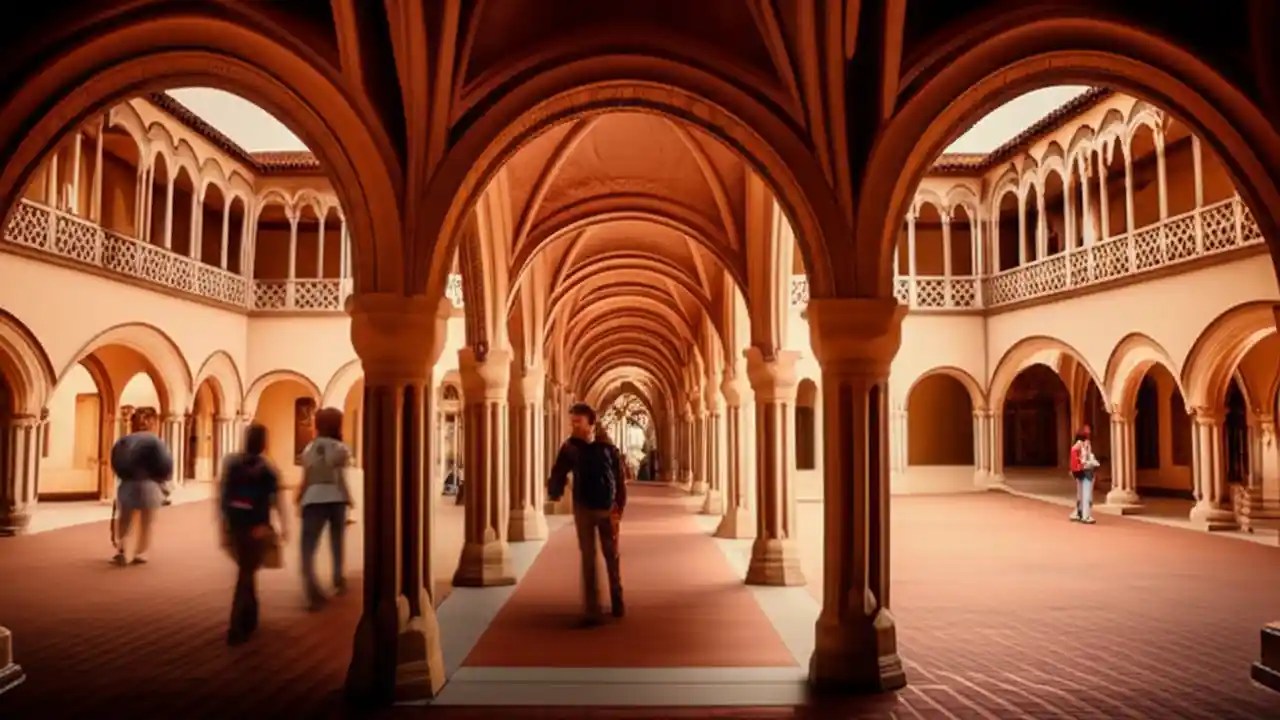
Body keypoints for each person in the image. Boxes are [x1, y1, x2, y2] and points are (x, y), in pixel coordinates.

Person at [548, 404, 628, 625]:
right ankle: (592, 609)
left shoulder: (607, 447)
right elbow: (559, 470)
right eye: (572, 422)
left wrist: (619, 507)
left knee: (611, 555)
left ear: (591, 423)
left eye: (578, 422)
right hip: (583, 507)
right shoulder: (570, 447)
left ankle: (617, 598)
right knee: (588, 558)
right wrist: (554, 490)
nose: (573, 426)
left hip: (606, 508)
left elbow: (619, 479)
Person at [219, 423, 287, 645]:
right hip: (257, 525)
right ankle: (237, 625)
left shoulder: (232, 464)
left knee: (246, 570)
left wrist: (223, 522)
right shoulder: (266, 469)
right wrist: (282, 525)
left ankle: (250, 616)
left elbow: (224, 494)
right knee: (246, 573)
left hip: (236, 522)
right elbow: (275, 500)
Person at [297, 406, 354, 610]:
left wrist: (300, 496)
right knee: (337, 541)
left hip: (313, 498)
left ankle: (312, 589)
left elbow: (306, 477)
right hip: (336, 498)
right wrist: (348, 498)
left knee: (308, 548)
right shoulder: (341, 449)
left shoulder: (309, 449)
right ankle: (338, 578)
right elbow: (340, 477)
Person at [109, 411, 173, 566]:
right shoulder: (155, 442)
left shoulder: (123, 441)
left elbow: (115, 462)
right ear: (152, 423)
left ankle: (123, 549)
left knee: (125, 519)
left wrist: (124, 476)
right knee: (147, 521)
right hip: (150, 485)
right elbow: (165, 465)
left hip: (127, 484)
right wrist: (165, 485)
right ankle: (141, 552)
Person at [1069, 424, 1101, 524]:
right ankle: (1085, 515)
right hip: (1086, 470)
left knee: (1081, 493)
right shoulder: (1083, 444)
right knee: (1087, 493)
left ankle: (1079, 512)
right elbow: (1084, 457)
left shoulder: (1079, 444)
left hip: (1080, 471)